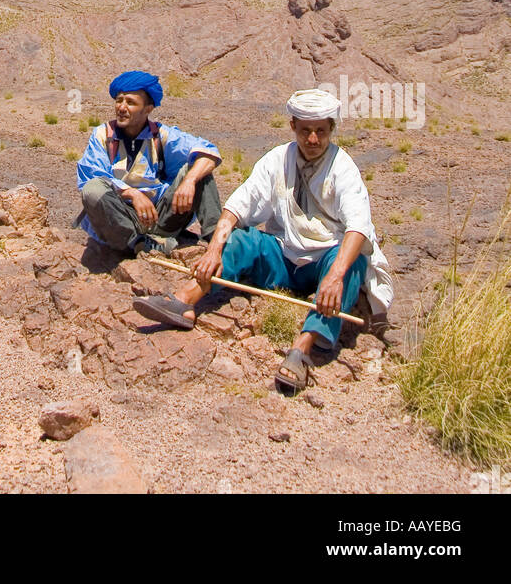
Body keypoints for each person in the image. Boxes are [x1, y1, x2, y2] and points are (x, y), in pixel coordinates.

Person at [131, 88, 393, 393]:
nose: (312, 139)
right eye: (305, 130)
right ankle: (184, 301)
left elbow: (358, 227)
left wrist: (335, 276)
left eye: (320, 131)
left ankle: (302, 349)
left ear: (331, 129)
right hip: (284, 256)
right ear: (293, 126)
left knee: (350, 264)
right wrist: (213, 250)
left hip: (325, 259)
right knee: (241, 241)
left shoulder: (343, 168)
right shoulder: (277, 159)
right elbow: (239, 205)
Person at [77, 70, 222, 256]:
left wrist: (189, 181)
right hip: (121, 220)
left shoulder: (162, 136)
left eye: (130, 102)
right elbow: (91, 176)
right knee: (93, 189)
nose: (121, 107)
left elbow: (208, 151)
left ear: (148, 109)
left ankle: (218, 243)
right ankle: (139, 244)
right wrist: (132, 194)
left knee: (199, 168)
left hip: (160, 217)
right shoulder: (102, 135)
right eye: (119, 100)